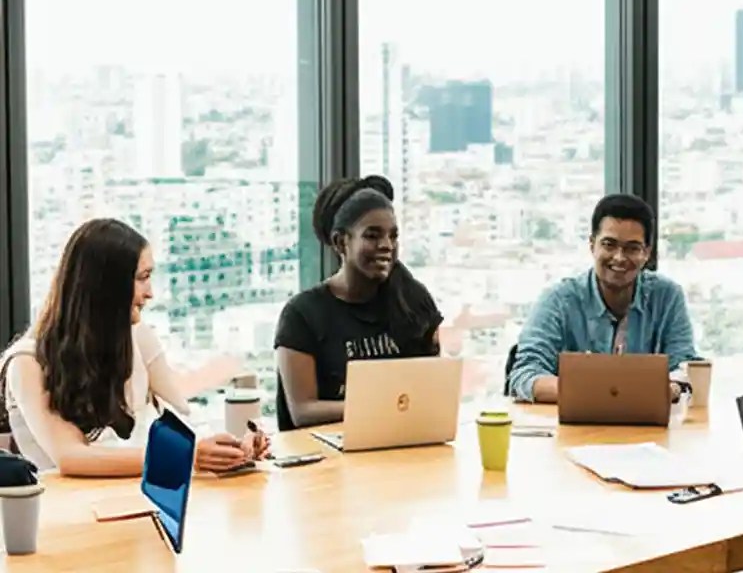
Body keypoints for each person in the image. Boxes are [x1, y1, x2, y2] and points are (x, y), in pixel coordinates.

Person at [2, 219, 268, 477]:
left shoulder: (137, 336)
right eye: (142, 278)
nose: (150, 292)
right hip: (72, 512)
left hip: (135, 497)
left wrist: (233, 446)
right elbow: (71, 457)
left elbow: (183, 418)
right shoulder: (27, 362)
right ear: (106, 286)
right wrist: (185, 456)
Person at [274, 175, 443, 430]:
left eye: (393, 236)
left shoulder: (414, 303)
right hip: (326, 459)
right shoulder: (302, 314)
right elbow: (302, 411)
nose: (386, 245)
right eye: (372, 235)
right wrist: (383, 405)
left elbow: (432, 388)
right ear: (341, 242)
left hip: (402, 447)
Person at [508, 194, 697, 403]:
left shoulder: (667, 297)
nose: (619, 257)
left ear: (647, 254)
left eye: (632, 248)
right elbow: (524, 375)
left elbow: (685, 368)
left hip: (647, 427)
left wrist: (673, 387)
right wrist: (601, 393)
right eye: (609, 244)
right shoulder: (558, 300)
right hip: (572, 428)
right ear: (592, 245)